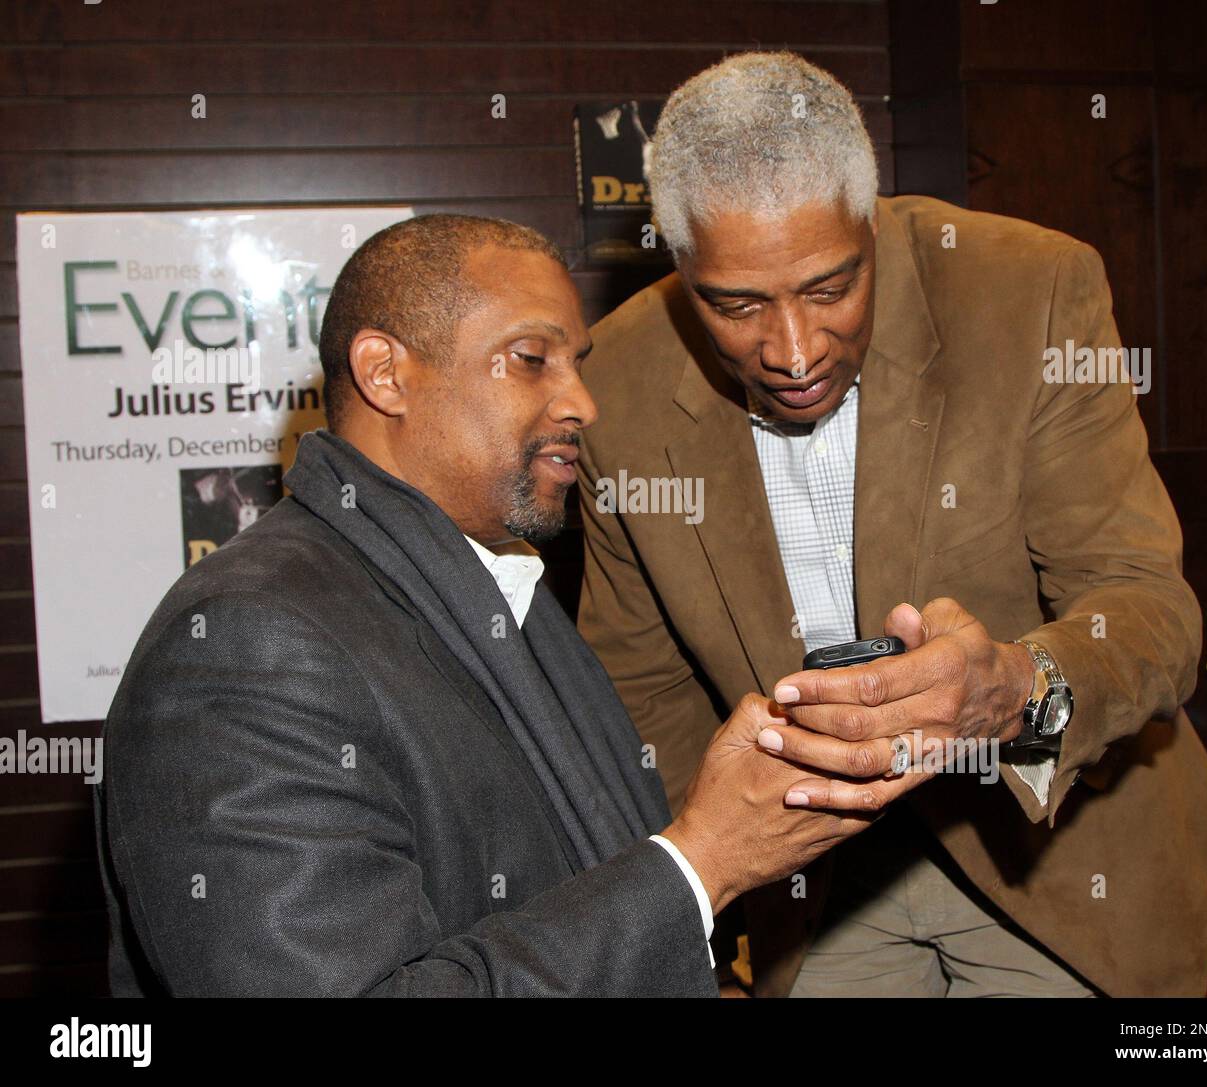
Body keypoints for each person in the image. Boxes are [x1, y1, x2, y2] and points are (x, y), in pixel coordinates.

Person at [576, 52, 1207, 997]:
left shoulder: (1032, 290)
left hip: (1063, 864)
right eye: (737, 306)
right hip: (818, 890)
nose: (794, 352)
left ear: (871, 220)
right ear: (680, 269)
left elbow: (1149, 611)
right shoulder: (617, 383)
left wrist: (1018, 689)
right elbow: (643, 694)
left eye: (830, 287)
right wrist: (707, 893)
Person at [93, 214, 873, 997]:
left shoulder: (497, 582)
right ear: (385, 373)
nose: (582, 404)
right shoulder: (241, 649)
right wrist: (702, 862)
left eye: (577, 363)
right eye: (530, 360)